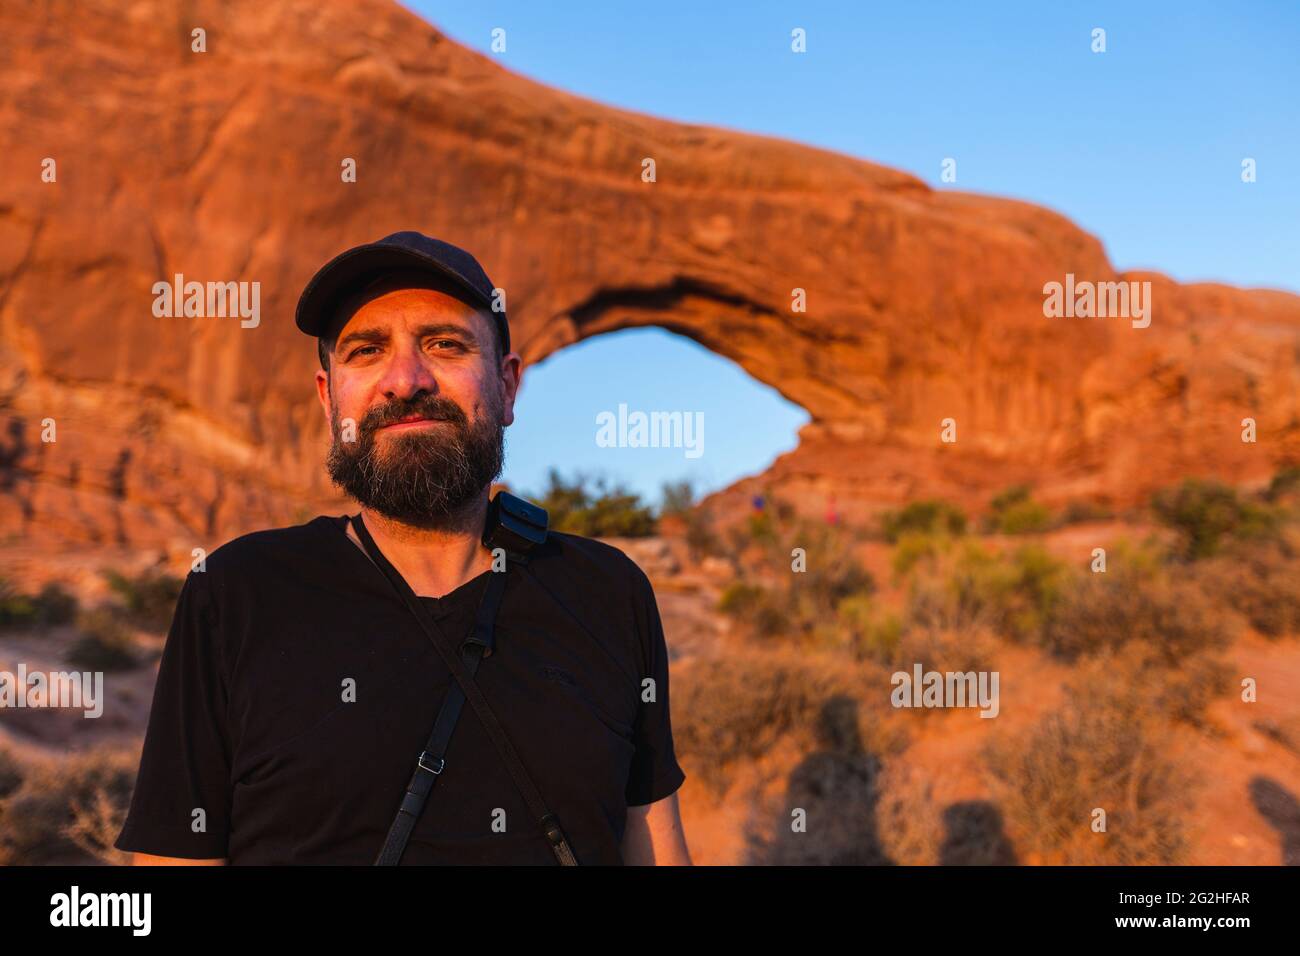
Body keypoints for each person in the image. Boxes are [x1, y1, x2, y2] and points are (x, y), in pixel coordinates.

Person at [114, 232, 691, 865]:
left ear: (508, 386)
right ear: (328, 397)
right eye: (366, 351)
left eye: (445, 344)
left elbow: (654, 848)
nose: (405, 380)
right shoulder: (237, 595)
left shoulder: (607, 591)